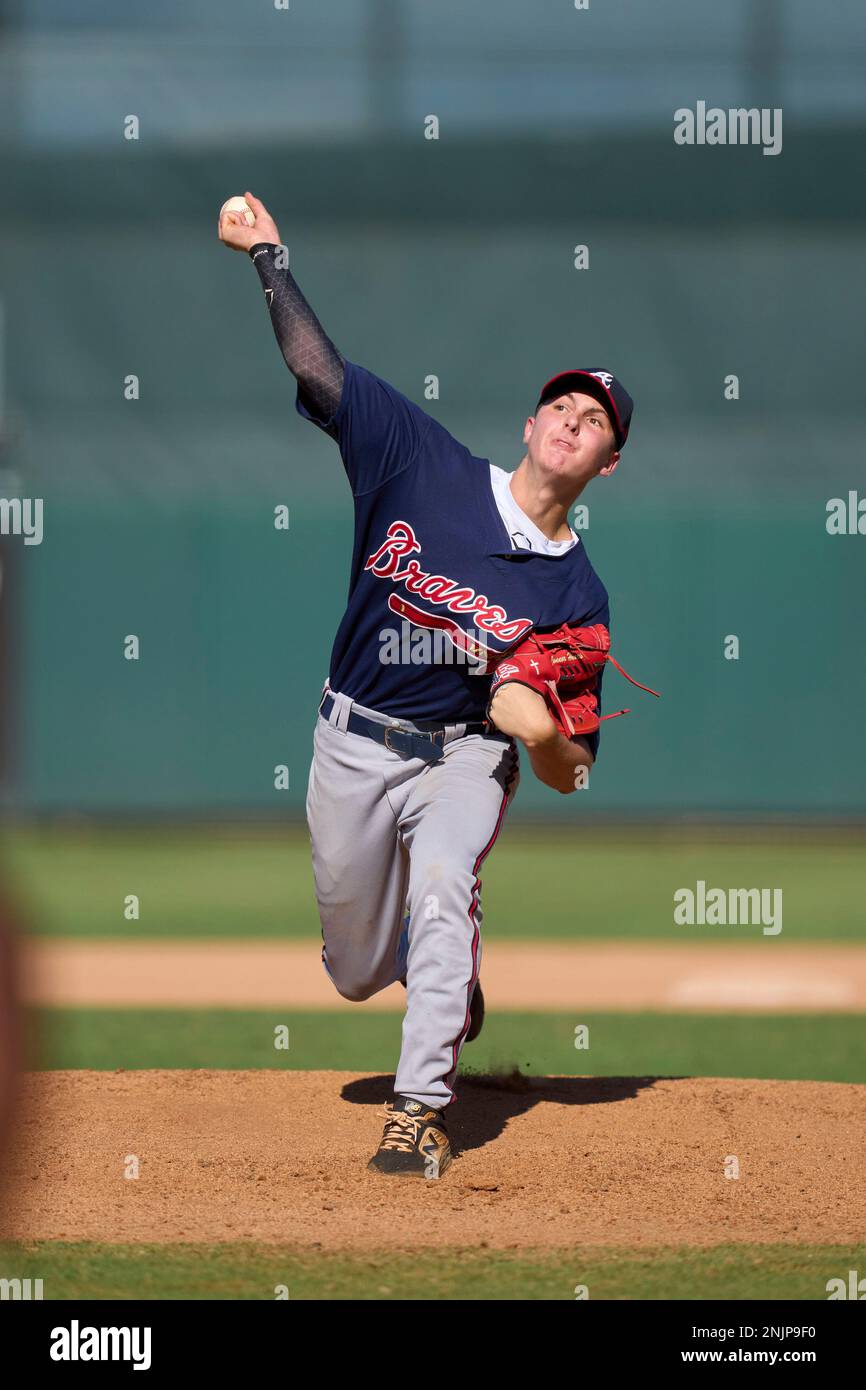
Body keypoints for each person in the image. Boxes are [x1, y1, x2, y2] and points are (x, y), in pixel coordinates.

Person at [219, 193, 633, 1180]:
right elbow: (319, 371)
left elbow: (572, 772)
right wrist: (269, 257)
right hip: (353, 739)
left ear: (607, 464)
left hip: (464, 754)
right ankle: (425, 972)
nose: (574, 420)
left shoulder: (576, 593)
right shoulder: (419, 461)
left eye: (595, 421)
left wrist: (538, 741)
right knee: (356, 970)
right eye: (564, 405)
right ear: (531, 422)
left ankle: (417, 1112)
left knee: (446, 884)